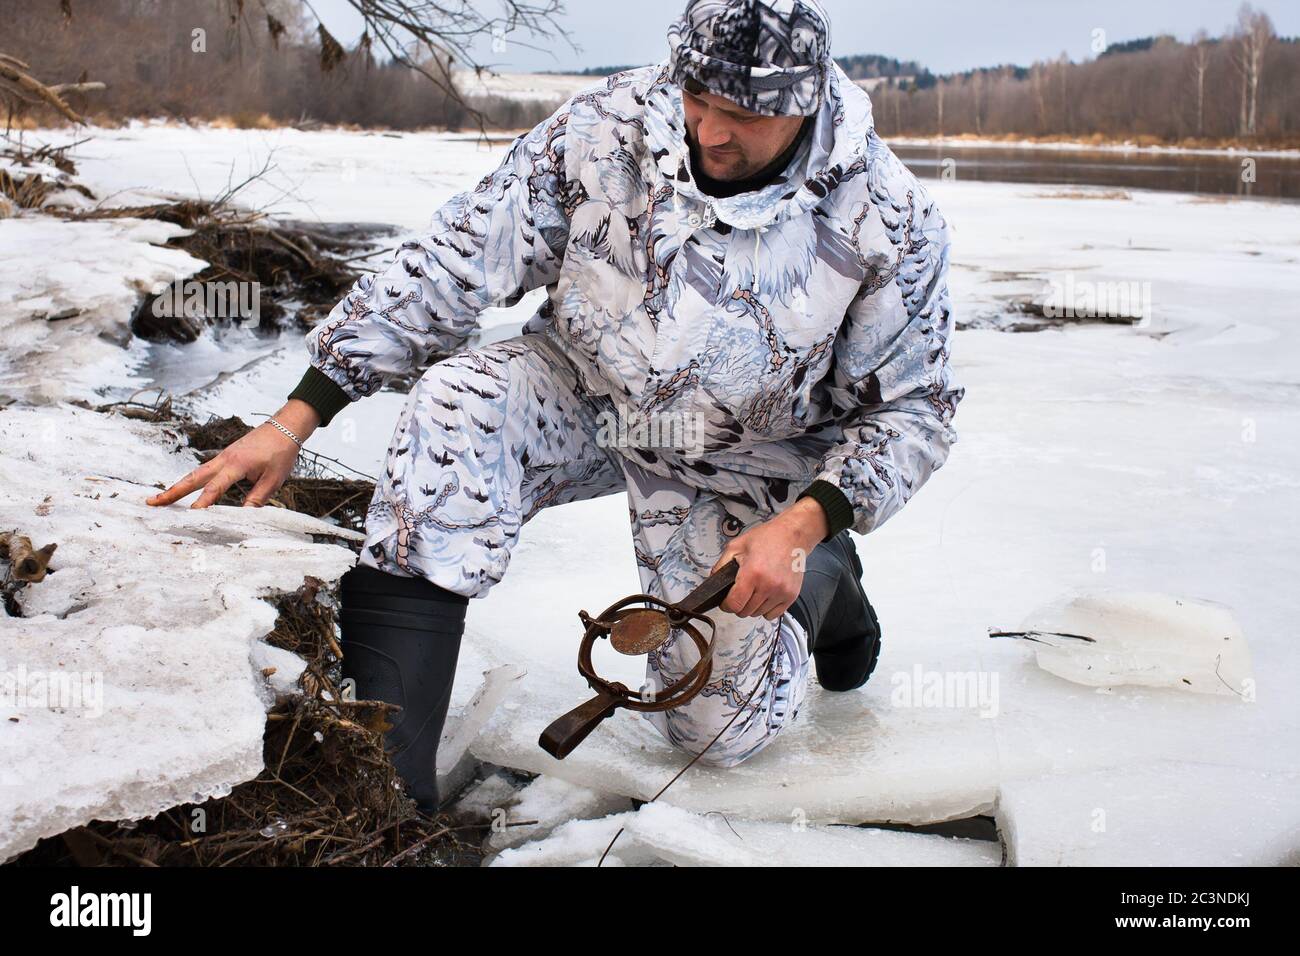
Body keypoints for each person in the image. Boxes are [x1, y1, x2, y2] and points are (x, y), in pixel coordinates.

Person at [148, 0, 964, 813]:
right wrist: (298, 416)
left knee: (715, 734)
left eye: (744, 114)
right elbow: (456, 258)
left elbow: (914, 412)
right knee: (456, 408)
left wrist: (805, 524)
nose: (711, 132)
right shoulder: (604, 131)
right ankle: (389, 801)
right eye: (698, 99)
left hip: (753, 458)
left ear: (805, 101)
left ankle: (824, 583)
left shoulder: (886, 214)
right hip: (591, 390)